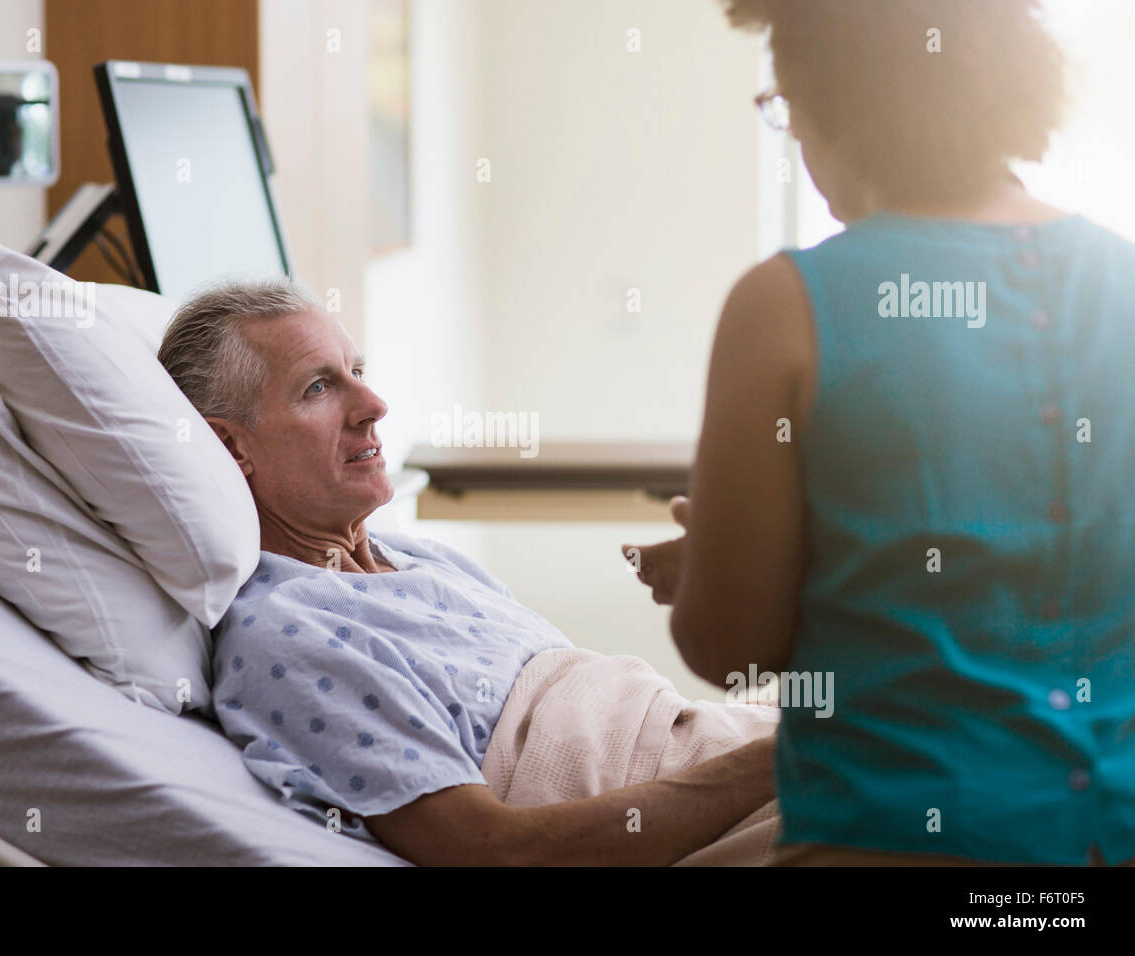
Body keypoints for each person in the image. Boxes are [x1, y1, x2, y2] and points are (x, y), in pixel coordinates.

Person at [626, 0, 1135, 865]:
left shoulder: (785, 307)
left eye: (783, 106)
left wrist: (725, 562)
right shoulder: (1122, 282)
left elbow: (730, 647)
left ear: (835, 103)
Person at [157, 280, 781, 866]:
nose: (373, 406)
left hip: (723, 749)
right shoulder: (286, 636)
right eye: (318, 388)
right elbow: (498, 852)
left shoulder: (420, 561)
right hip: (748, 805)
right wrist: (783, 763)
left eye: (357, 372)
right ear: (232, 447)